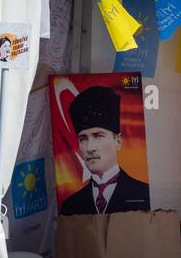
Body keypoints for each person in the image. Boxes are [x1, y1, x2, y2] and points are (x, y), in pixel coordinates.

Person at [59, 85, 151, 215]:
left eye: (98, 136)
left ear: (118, 141)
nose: (89, 148)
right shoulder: (70, 206)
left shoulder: (144, 194)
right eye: (82, 139)